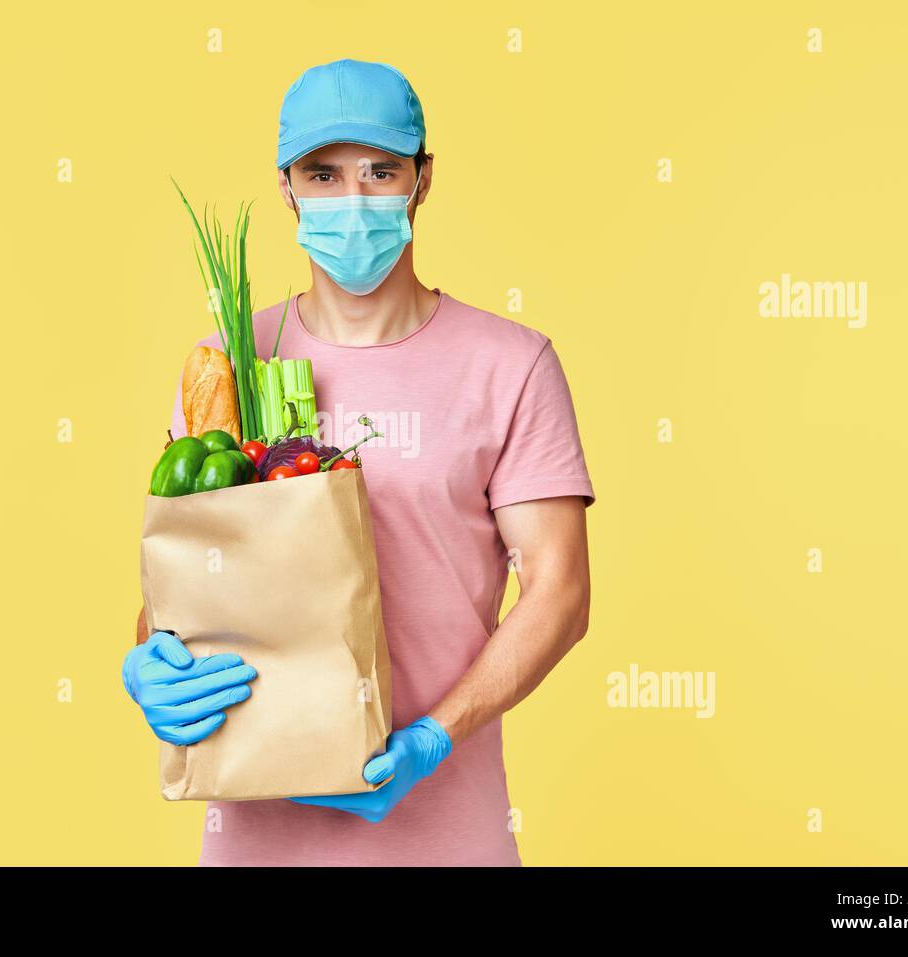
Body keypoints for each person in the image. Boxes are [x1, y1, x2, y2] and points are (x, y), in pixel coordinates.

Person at [124, 58, 595, 866]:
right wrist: (150, 659)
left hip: (453, 837)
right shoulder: (227, 366)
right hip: (256, 840)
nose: (353, 199)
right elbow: (185, 585)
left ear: (423, 179)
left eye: (381, 171)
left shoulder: (508, 365)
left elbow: (560, 592)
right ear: (286, 189)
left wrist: (432, 739)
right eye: (324, 173)